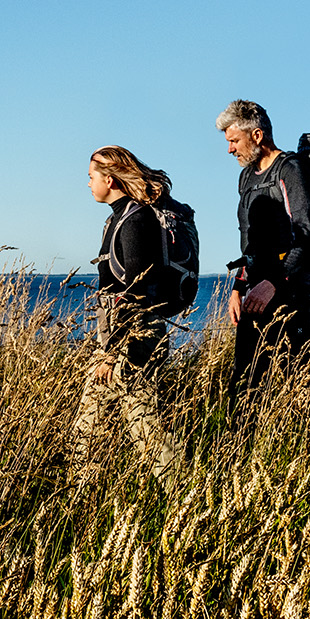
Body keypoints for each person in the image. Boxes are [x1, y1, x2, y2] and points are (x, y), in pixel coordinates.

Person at [71, 145, 181, 492]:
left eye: (91, 176)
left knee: (145, 430)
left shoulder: (136, 220)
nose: (87, 183)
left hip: (134, 341)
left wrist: (113, 352)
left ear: (110, 178)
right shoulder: (117, 219)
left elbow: (137, 292)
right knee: (88, 427)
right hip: (120, 340)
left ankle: (183, 496)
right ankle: (81, 494)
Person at [216, 99, 310, 401]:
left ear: (257, 135)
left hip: (296, 292)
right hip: (255, 291)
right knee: (244, 381)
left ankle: (306, 443)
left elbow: (306, 236)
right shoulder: (246, 177)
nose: (230, 149)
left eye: (234, 140)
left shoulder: (290, 171)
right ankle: (240, 446)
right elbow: (250, 242)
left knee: (301, 384)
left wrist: (274, 283)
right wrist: (238, 287)